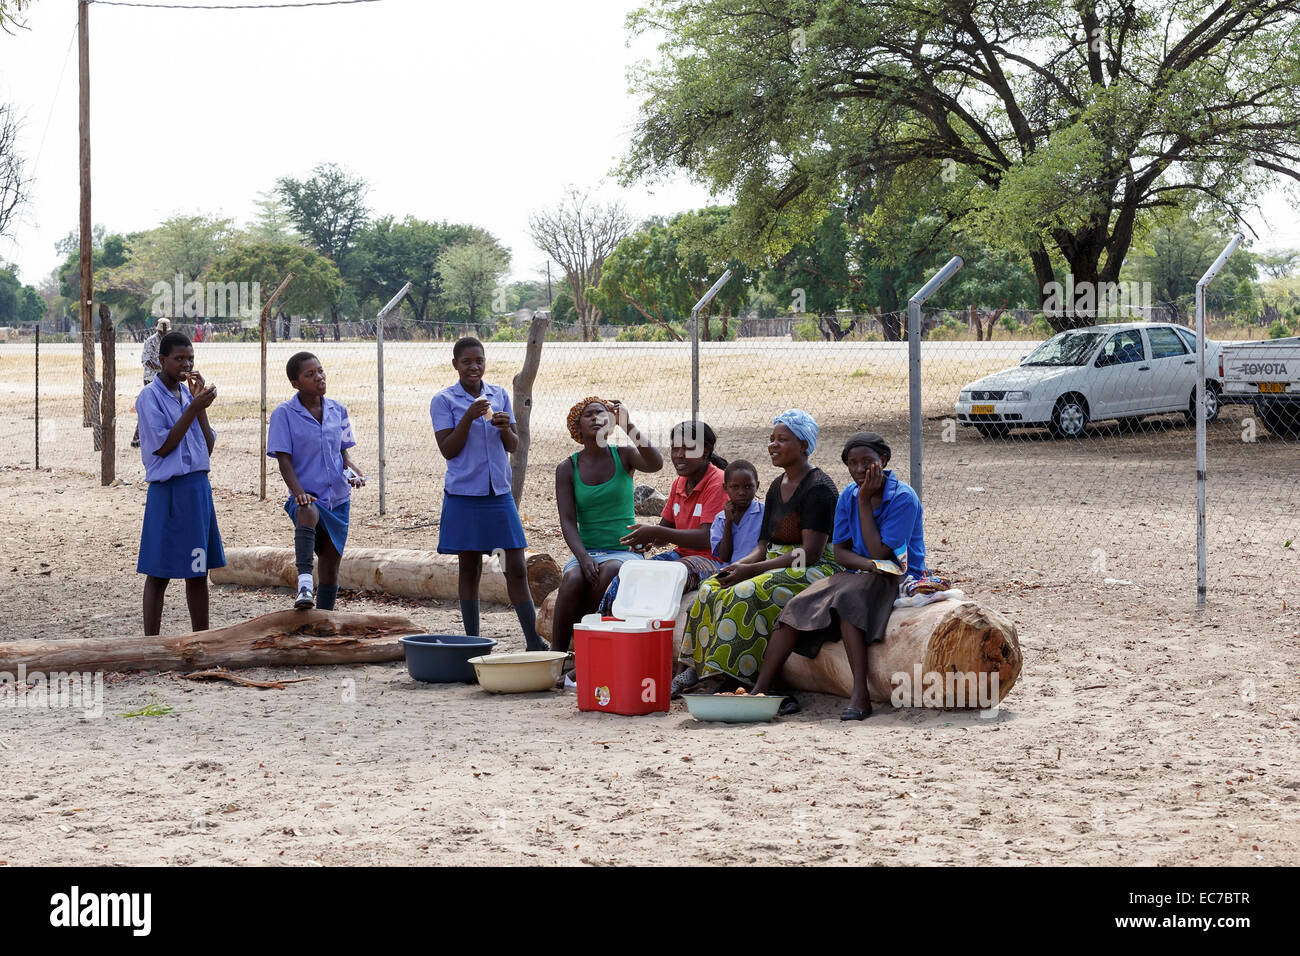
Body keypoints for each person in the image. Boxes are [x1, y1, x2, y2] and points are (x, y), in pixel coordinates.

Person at [674, 409, 841, 712]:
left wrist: (751, 570)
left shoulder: (818, 489)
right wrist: (739, 566)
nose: (772, 445)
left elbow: (811, 553)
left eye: (782, 439)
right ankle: (709, 673)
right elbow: (764, 545)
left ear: (804, 445)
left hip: (813, 568)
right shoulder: (778, 486)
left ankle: (747, 681)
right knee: (713, 587)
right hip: (777, 561)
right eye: (771, 439)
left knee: (746, 592)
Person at [751, 432, 924, 720]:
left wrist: (865, 502)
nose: (859, 469)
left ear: (883, 461)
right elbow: (841, 552)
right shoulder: (848, 495)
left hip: (898, 574)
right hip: (860, 570)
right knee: (798, 605)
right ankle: (761, 689)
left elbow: (881, 553)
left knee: (847, 600)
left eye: (867, 462)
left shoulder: (902, 498)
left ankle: (861, 695)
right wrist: (867, 565)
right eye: (852, 463)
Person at [432, 337, 546, 650]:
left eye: (479, 361)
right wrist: (468, 417)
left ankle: (533, 639)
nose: (474, 367)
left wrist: (504, 427)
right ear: (455, 364)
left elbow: (513, 446)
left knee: (517, 567)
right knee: (470, 568)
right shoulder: (444, 401)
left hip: (498, 495)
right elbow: (448, 450)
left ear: (485, 362)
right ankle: (472, 642)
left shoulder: (499, 394)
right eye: (466, 361)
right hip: (464, 495)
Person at [549, 396, 663, 652]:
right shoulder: (567, 468)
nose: (595, 418)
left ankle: (586, 645)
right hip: (587, 551)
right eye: (588, 414)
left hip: (624, 552)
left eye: (601, 413)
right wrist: (583, 556)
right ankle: (555, 655)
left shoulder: (624, 456)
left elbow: (656, 463)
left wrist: (628, 424)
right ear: (577, 428)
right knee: (572, 579)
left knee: (610, 571)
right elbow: (567, 522)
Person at [135, 331, 225, 636]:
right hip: (169, 492)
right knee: (158, 572)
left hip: (197, 489)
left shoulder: (189, 394)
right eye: (178, 359)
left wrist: (200, 409)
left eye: (190, 358)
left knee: (197, 571)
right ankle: (151, 643)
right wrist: (193, 409)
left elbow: (208, 445)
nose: (185, 364)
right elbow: (163, 446)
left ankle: (202, 638)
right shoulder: (149, 397)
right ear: (162, 361)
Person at [267, 352, 366, 611]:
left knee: (331, 562)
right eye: (309, 375)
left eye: (320, 371)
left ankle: (324, 619)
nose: (319, 377)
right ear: (295, 383)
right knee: (306, 510)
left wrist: (354, 472)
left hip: (338, 498)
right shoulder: (284, 414)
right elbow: (283, 459)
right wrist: (298, 492)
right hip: (308, 493)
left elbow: (342, 453)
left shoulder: (337, 409)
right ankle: (304, 584)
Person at [598, 420, 728, 615]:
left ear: (706, 451)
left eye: (688, 449)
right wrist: (646, 538)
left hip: (713, 561)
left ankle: (647, 635)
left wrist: (657, 532)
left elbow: (706, 538)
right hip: (682, 556)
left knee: (666, 578)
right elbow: (664, 533)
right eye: (675, 449)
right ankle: (607, 628)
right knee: (626, 576)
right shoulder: (680, 483)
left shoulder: (718, 482)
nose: (679, 455)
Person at [709, 459, 763, 564]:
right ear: (725, 488)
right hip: (728, 572)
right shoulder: (720, 519)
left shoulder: (764, 513)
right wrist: (728, 522)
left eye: (748, 487)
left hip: (756, 571)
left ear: (757, 486)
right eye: (735, 487)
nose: (741, 492)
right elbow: (725, 556)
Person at [132, 317, 170, 448]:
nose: (164, 334)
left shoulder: (170, 342)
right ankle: (137, 437)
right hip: (151, 378)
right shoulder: (151, 341)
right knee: (149, 407)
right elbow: (146, 361)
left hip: (165, 379)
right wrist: (161, 368)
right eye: (162, 332)